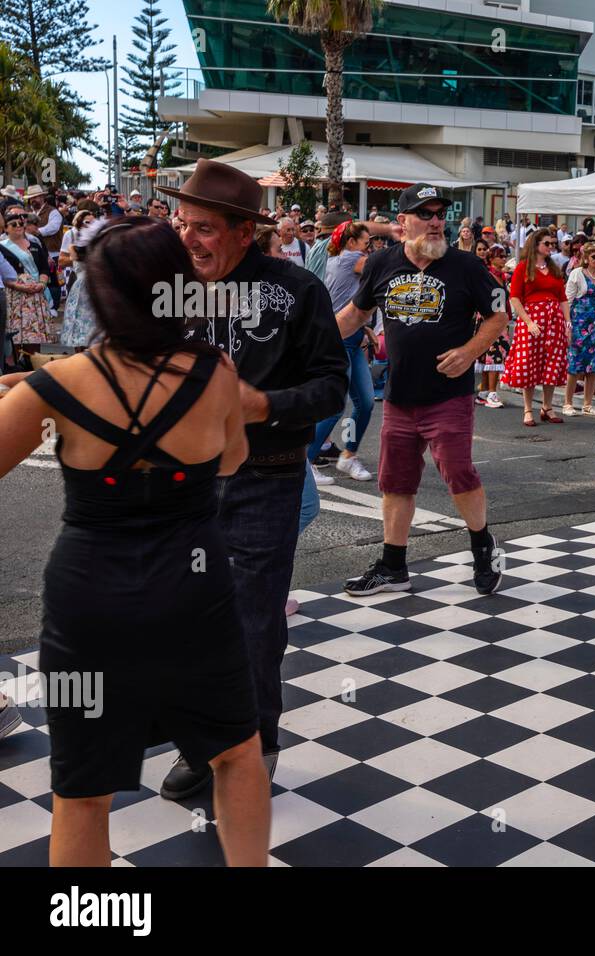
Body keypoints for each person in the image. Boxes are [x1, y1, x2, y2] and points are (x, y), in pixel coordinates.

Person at [0, 216, 271, 865]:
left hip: (89, 605)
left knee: (82, 790)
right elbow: (232, 461)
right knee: (236, 754)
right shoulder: (215, 371)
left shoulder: (58, 382)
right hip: (195, 595)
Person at [155, 159, 348, 799]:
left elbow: (331, 387)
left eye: (204, 229)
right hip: (182, 482)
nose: (187, 240)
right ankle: (198, 745)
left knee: (251, 621)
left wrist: (262, 404)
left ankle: (254, 746)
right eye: (183, 225)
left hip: (266, 477)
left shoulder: (295, 289)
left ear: (244, 231)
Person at [335, 183, 508, 597]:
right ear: (402, 222)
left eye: (439, 214)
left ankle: (482, 545)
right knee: (395, 481)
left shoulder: (466, 266)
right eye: (424, 214)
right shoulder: (380, 263)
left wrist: (469, 352)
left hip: (448, 395)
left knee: (458, 473)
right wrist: (306, 341)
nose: (435, 222)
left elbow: (498, 315)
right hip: (398, 396)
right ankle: (393, 566)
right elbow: (355, 314)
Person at [309, 221, 376, 485]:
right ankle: (306, 460)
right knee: (335, 404)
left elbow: (353, 301)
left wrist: (367, 329)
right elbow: (381, 269)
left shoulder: (340, 258)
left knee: (366, 402)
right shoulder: (350, 259)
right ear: (351, 243)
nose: (369, 249)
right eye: (365, 243)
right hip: (338, 340)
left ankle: (348, 455)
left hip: (353, 338)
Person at [503, 229, 569, 426]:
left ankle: (547, 407)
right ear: (536, 245)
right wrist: (529, 322)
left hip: (554, 320)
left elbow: (563, 298)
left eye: (552, 244)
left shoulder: (555, 269)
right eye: (547, 243)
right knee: (528, 363)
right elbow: (514, 297)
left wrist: (568, 323)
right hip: (532, 319)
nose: (551, 247)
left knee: (551, 363)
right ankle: (528, 408)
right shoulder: (523, 267)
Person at [562, 241, 595, 416]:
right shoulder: (577, 274)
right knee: (575, 364)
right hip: (578, 323)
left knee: (594, 365)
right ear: (586, 258)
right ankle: (567, 403)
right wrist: (567, 325)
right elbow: (567, 301)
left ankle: (587, 404)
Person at [1, 207, 56, 357]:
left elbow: (45, 268)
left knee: (35, 334)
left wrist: (42, 284)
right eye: (13, 224)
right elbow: (3, 275)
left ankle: (33, 362)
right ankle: (19, 365)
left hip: (36, 293)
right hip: (15, 294)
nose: (18, 226)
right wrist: (19, 286)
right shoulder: (3, 248)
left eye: (20, 223)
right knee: (16, 334)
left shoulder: (35, 245)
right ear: (6, 229)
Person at [58, 211, 101, 349]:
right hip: (82, 287)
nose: (91, 225)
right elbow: (68, 257)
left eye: (94, 222)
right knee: (80, 323)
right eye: (87, 222)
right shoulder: (74, 245)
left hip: (99, 286)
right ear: (79, 224)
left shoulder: (100, 243)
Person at [475, 244, 511, 409]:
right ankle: (491, 392)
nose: (504, 259)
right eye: (500, 256)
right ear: (492, 258)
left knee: (493, 356)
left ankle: (484, 393)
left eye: (504, 256)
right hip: (489, 319)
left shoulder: (502, 277)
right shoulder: (486, 275)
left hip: (500, 318)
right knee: (492, 356)